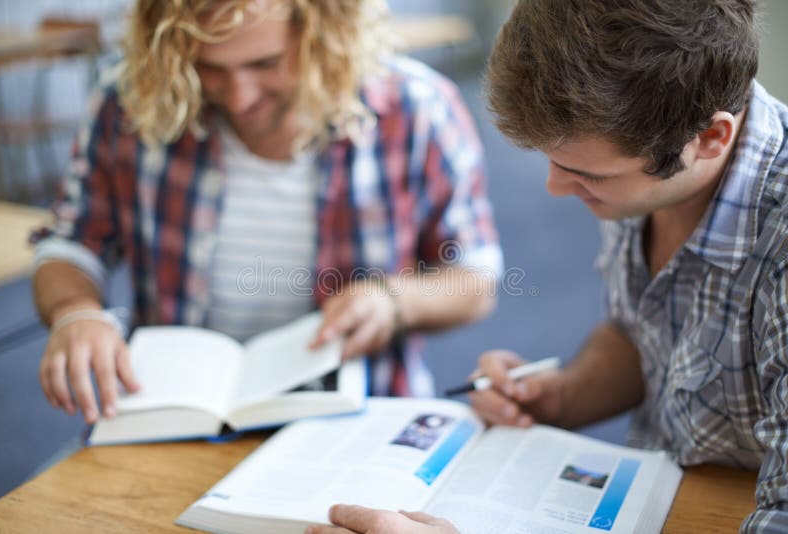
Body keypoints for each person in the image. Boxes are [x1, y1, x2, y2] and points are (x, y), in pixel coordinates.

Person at [307, 0, 788, 532]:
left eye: (587, 175)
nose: (555, 188)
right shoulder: (646, 164)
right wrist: (561, 395)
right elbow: (648, 333)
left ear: (709, 138)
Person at [32, 0, 502, 425]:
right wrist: (75, 313)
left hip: (360, 417)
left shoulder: (417, 108)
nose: (239, 98)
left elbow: (475, 279)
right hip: (173, 413)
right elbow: (70, 243)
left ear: (324, 30)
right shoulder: (130, 98)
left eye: (265, 63)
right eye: (209, 68)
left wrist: (394, 302)